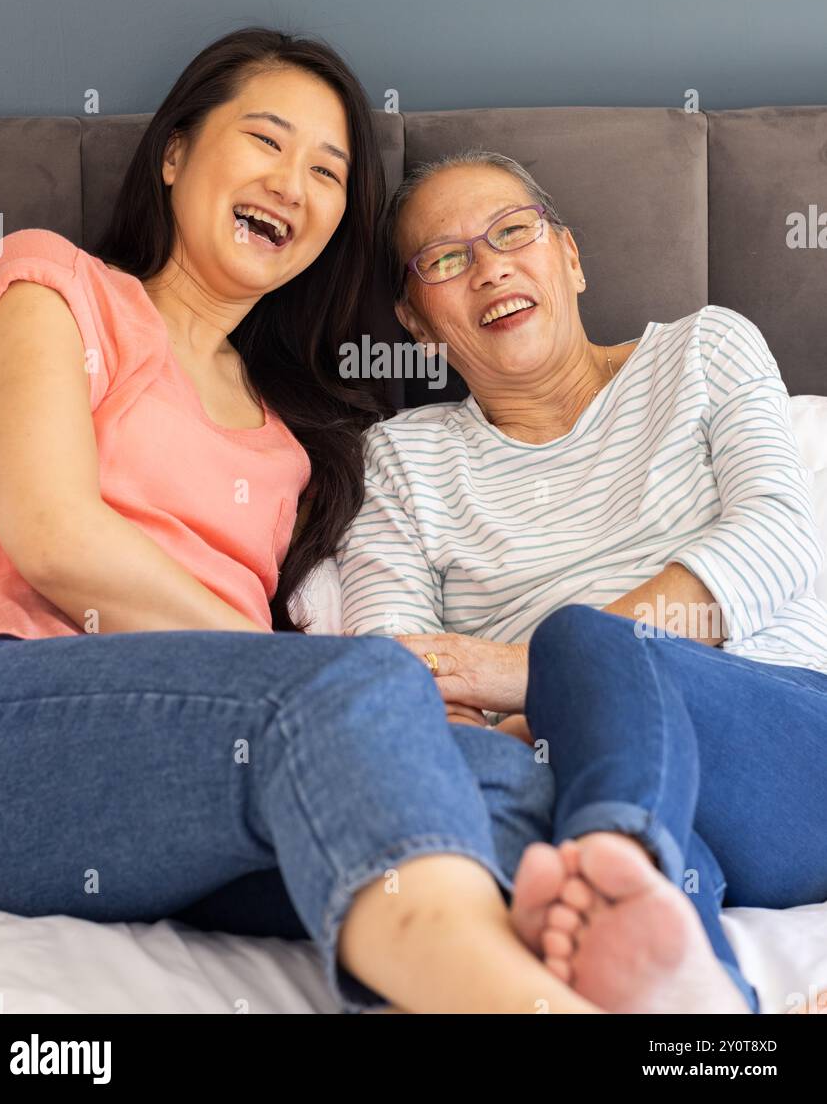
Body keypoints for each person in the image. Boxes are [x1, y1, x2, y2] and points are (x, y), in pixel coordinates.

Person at [0, 26, 614, 1017]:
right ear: (176, 153)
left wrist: (392, 713)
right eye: (266, 141)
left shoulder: (294, 445)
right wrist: (321, 681)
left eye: (326, 170)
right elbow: (55, 534)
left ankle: (475, 973)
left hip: (176, 788)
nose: (292, 183)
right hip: (3, 717)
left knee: (500, 776)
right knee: (355, 691)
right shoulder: (54, 284)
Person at [337, 147, 827, 1013]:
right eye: (446, 259)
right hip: (577, 779)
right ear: (416, 320)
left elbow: (779, 539)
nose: (488, 266)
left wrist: (542, 669)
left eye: (511, 232)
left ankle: (613, 859)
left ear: (568, 257)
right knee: (648, 900)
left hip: (787, 753)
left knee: (581, 639)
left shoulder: (705, 350)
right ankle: (702, 1008)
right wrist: (541, 715)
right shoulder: (399, 460)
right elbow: (401, 669)